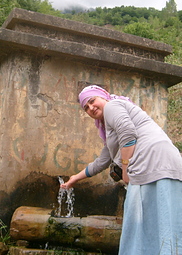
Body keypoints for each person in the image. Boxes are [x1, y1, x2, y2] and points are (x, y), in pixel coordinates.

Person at [61, 85, 182, 255]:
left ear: (103, 96)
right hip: (160, 163)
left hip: (154, 160)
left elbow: (128, 134)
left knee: (144, 219)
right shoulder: (109, 127)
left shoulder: (112, 106)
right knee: (161, 218)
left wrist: (125, 170)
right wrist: (75, 178)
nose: (91, 108)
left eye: (92, 101)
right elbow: (102, 161)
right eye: (86, 107)